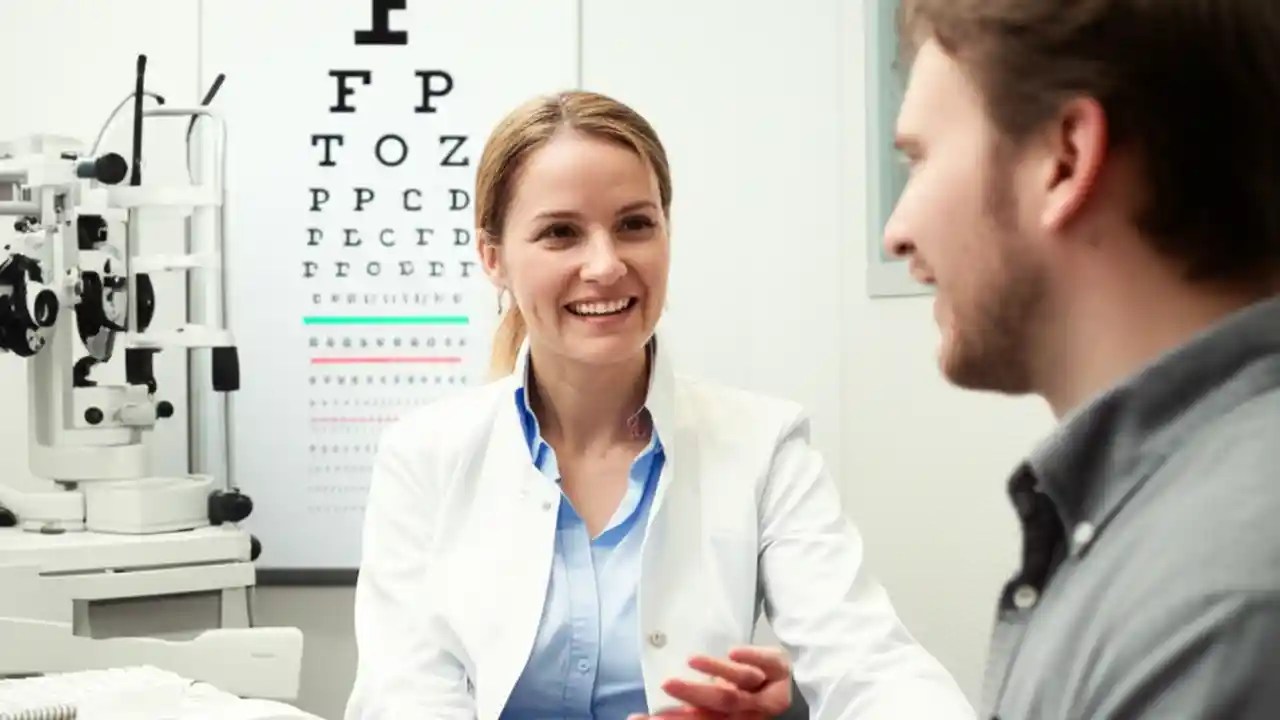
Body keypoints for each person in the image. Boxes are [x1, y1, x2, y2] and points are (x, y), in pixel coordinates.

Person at [343, 90, 974, 719]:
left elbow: (868, 661)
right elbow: (404, 695)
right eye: (560, 233)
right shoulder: (425, 454)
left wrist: (794, 708)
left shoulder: (762, 443)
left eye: (634, 225)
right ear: (493, 258)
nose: (606, 264)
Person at [885, 0, 1280, 718]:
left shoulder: (1215, 609)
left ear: (1064, 159)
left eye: (918, 158)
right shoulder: (1150, 529)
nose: (897, 232)